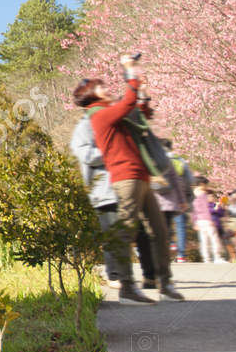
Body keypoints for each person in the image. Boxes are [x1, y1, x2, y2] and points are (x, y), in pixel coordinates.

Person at [75, 59, 182, 303]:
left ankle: (165, 283)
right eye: (100, 87)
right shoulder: (99, 116)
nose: (105, 88)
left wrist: (141, 92)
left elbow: (139, 114)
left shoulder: (113, 113)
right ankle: (127, 287)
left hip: (142, 176)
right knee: (125, 232)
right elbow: (127, 103)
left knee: (160, 231)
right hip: (124, 177)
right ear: (90, 95)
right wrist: (130, 72)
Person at [70, 112, 158, 290]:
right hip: (104, 189)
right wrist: (112, 150)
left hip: (126, 185)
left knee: (139, 231)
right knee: (112, 234)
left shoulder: (115, 121)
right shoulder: (85, 125)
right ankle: (114, 275)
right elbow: (85, 153)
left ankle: (150, 275)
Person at [193, 187, 228, 264]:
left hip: (204, 223)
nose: (212, 198)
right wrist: (210, 217)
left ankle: (207, 258)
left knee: (206, 241)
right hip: (208, 223)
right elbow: (206, 211)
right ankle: (216, 257)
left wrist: (220, 207)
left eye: (213, 196)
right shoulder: (204, 202)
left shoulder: (196, 201)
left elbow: (221, 213)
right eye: (210, 196)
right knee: (212, 240)